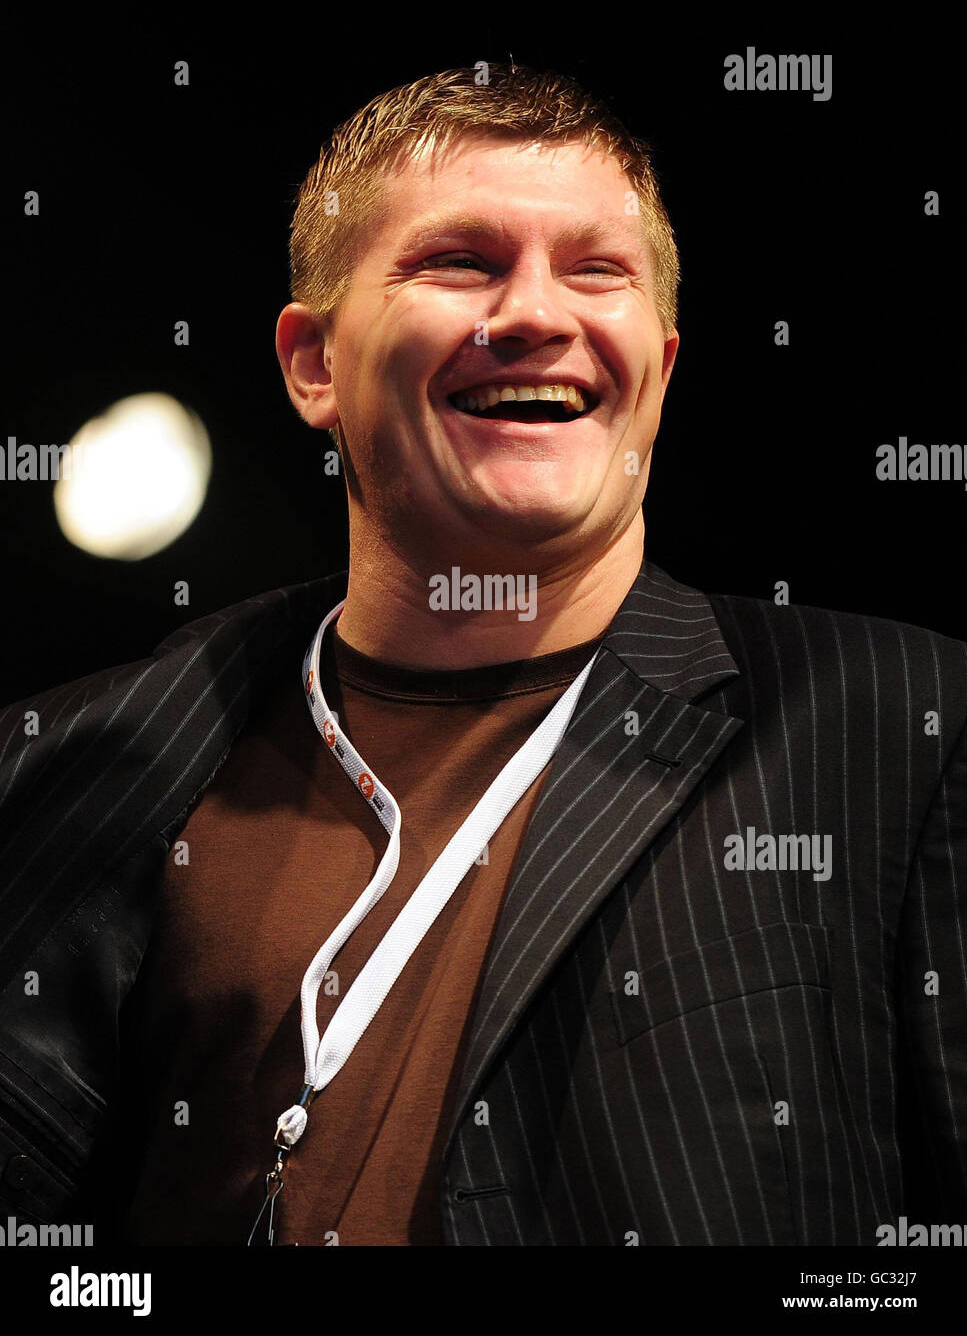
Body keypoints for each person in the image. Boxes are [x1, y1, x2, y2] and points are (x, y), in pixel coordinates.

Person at [0, 63, 964, 1248]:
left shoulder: (899, 727)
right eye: (460, 260)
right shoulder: (85, 755)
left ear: (658, 367)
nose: (537, 313)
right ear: (313, 365)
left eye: (595, 269)